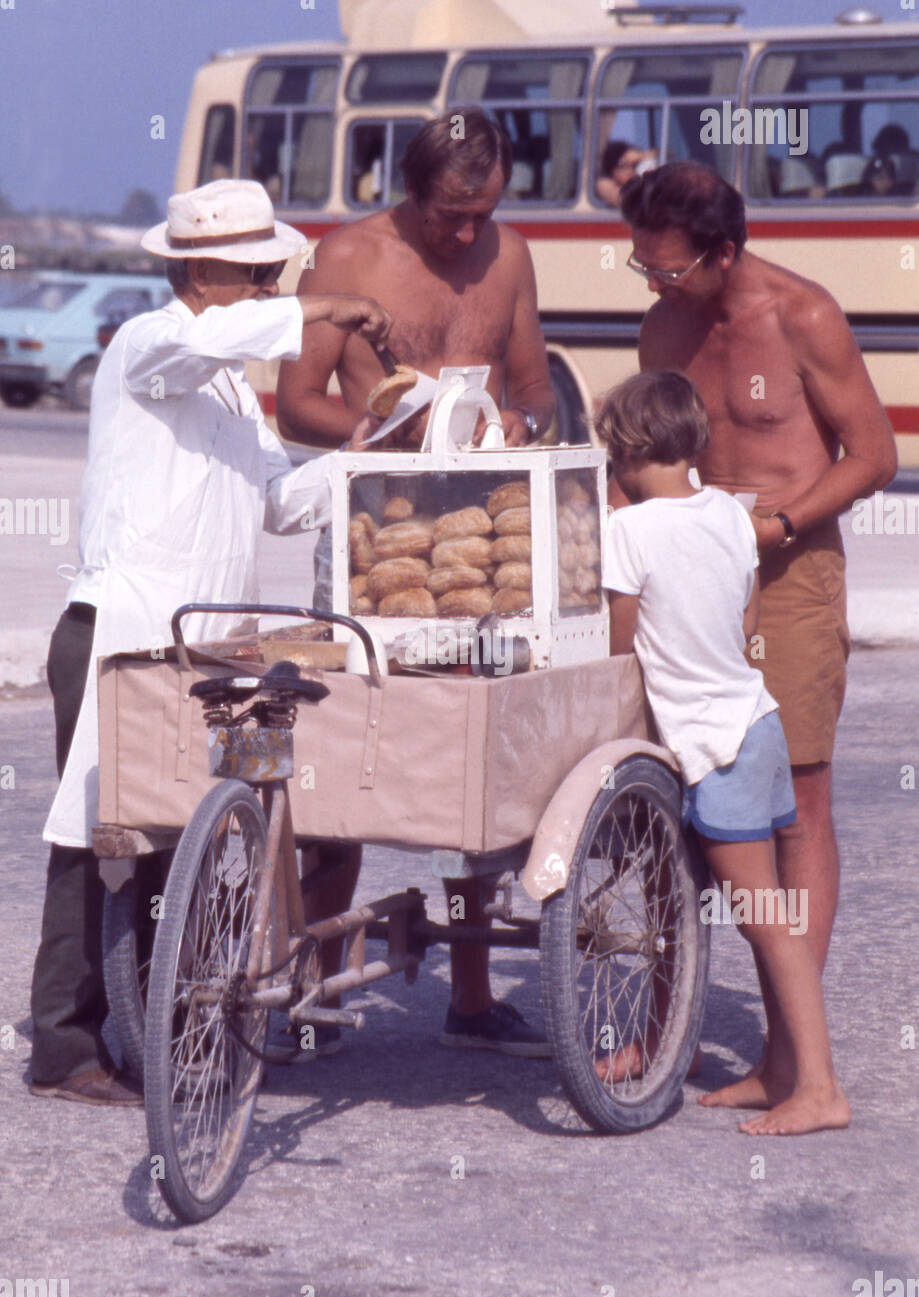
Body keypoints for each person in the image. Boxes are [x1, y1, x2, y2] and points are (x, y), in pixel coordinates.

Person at [29, 178, 392, 1105]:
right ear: (197, 273)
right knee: (100, 842)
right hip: (121, 635)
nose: (270, 287)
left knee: (186, 841)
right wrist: (325, 308)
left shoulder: (229, 386)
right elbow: (203, 344)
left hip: (205, 651)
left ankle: (164, 1023)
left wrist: (365, 452)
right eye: (256, 274)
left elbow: (279, 500)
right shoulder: (151, 344)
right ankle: (65, 1048)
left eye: (275, 273)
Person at [616, 161, 896, 1111]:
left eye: (668, 270)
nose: (654, 287)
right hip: (688, 580)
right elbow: (643, 456)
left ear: (724, 252)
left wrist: (772, 526)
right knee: (666, 791)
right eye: (643, 268)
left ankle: (790, 1055)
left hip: (789, 572)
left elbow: (873, 454)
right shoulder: (665, 324)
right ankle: (662, 1027)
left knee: (795, 803)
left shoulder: (803, 315)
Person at [276, 108, 556, 1056]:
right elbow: (296, 404)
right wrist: (380, 437)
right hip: (373, 524)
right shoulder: (347, 255)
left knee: (474, 748)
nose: (467, 235)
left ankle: (470, 995)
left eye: (483, 214)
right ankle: (314, 985)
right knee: (341, 737)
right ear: (410, 191)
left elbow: (535, 389)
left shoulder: (508, 256)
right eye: (449, 216)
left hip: (479, 540)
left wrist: (518, 426)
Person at [596, 369, 850, 1135]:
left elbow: (616, 652)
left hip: (711, 744)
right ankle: (763, 1068)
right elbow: (745, 625)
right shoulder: (733, 517)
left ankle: (818, 1089)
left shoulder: (627, 531)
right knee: (741, 907)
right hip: (755, 724)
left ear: (623, 450)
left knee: (762, 917)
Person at [595, 141, 656, 207]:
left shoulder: (641, 180)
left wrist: (641, 156)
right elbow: (624, 198)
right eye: (623, 166)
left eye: (634, 165)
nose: (630, 171)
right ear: (611, 170)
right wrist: (641, 156)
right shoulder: (603, 184)